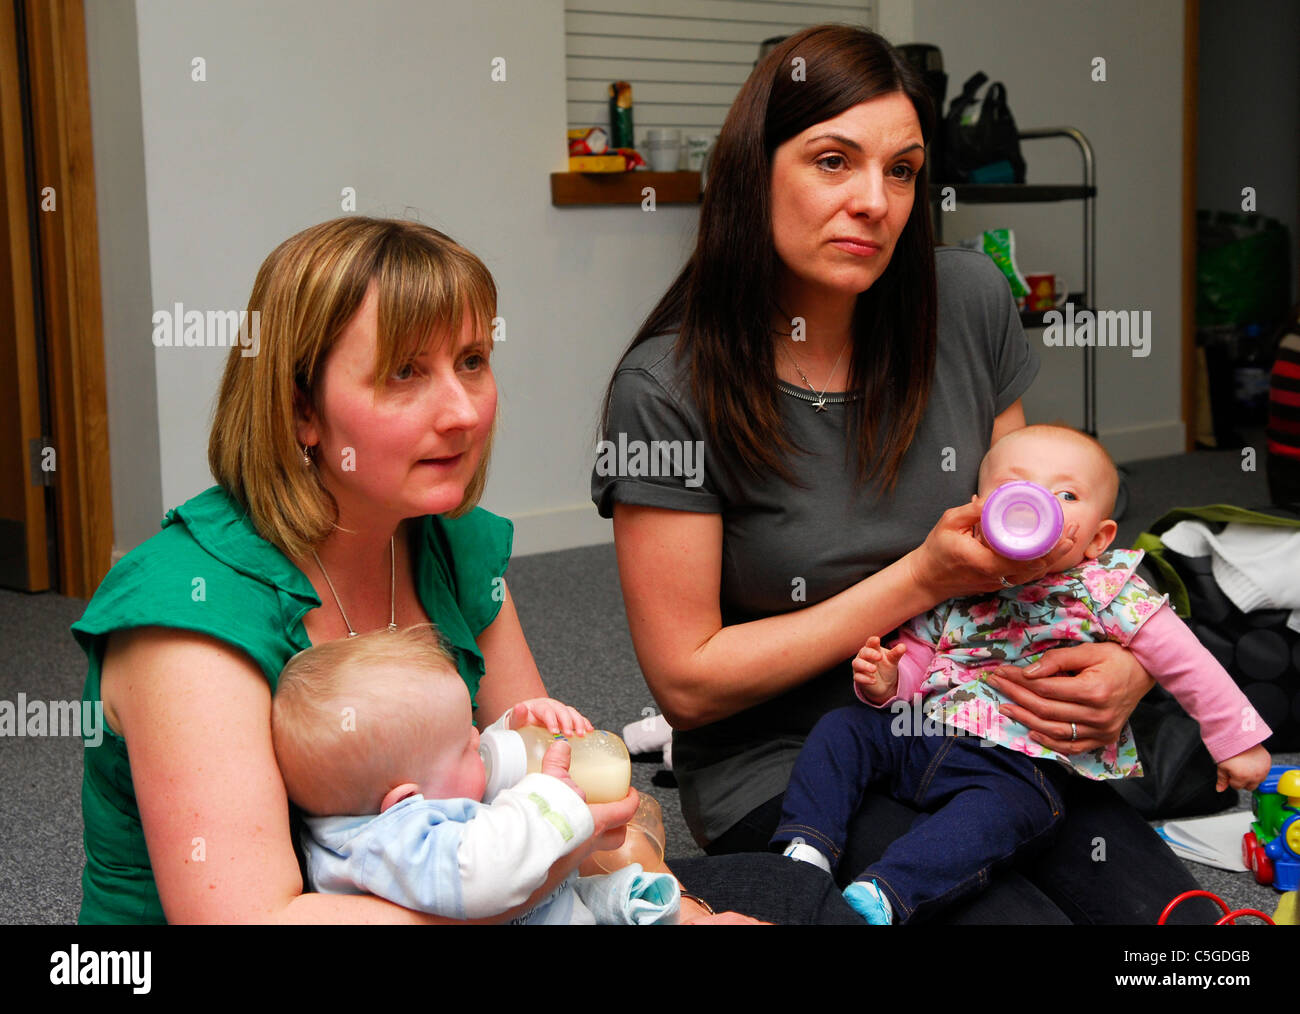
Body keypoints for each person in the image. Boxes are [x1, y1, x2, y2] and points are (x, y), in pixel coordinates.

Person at [592, 24, 1222, 923]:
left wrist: (1127, 666)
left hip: (986, 721)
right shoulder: (666, 390)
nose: (875, 202)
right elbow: (686, 680)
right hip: (795, 759)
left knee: (1187, 937)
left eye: (902, 170)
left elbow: (1052, 535)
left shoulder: (967, 303)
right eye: (833, 161)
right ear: (753, 172)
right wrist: (919, 579)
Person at [71, 215, 844, 925]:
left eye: (472, 361)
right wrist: (530, 870)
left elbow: (589, 784)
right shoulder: (191, 611)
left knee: (818, 903)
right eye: (405, 372)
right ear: (301, 411)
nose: (464, 411)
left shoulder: (446, 542)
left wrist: (657, 896)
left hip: (497, 892)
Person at [771, 424, 1273, 924]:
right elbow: (922, 655)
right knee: (843, 729)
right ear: (982, 508)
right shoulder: (963, 574)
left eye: (1067, 494)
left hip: (1018, 765)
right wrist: (886, 683)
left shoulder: (1106, 589)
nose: (1039, 503)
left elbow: (1188, 662)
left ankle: (886, 892)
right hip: (922, 733)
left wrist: (1237, 740)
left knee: (998, 818)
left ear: (1099, 537)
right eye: (1018, 487)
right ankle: (806, 849)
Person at [271, 625, 681, 925]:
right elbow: (487, 870)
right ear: (404, 802)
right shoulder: (390, 844)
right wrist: (550, 797)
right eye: (465, 747)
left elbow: (471, 799)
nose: (476, 735)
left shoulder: (405, 804)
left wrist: (512, 730)